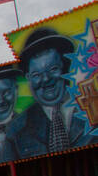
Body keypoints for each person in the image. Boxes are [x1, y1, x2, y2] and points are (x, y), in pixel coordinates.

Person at [8, 28, 86, 159]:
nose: (45, 79)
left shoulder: (91, 108)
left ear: (65, 67)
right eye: (36, 74)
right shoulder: (15, 130)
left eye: (53, 69)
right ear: (28, 78)